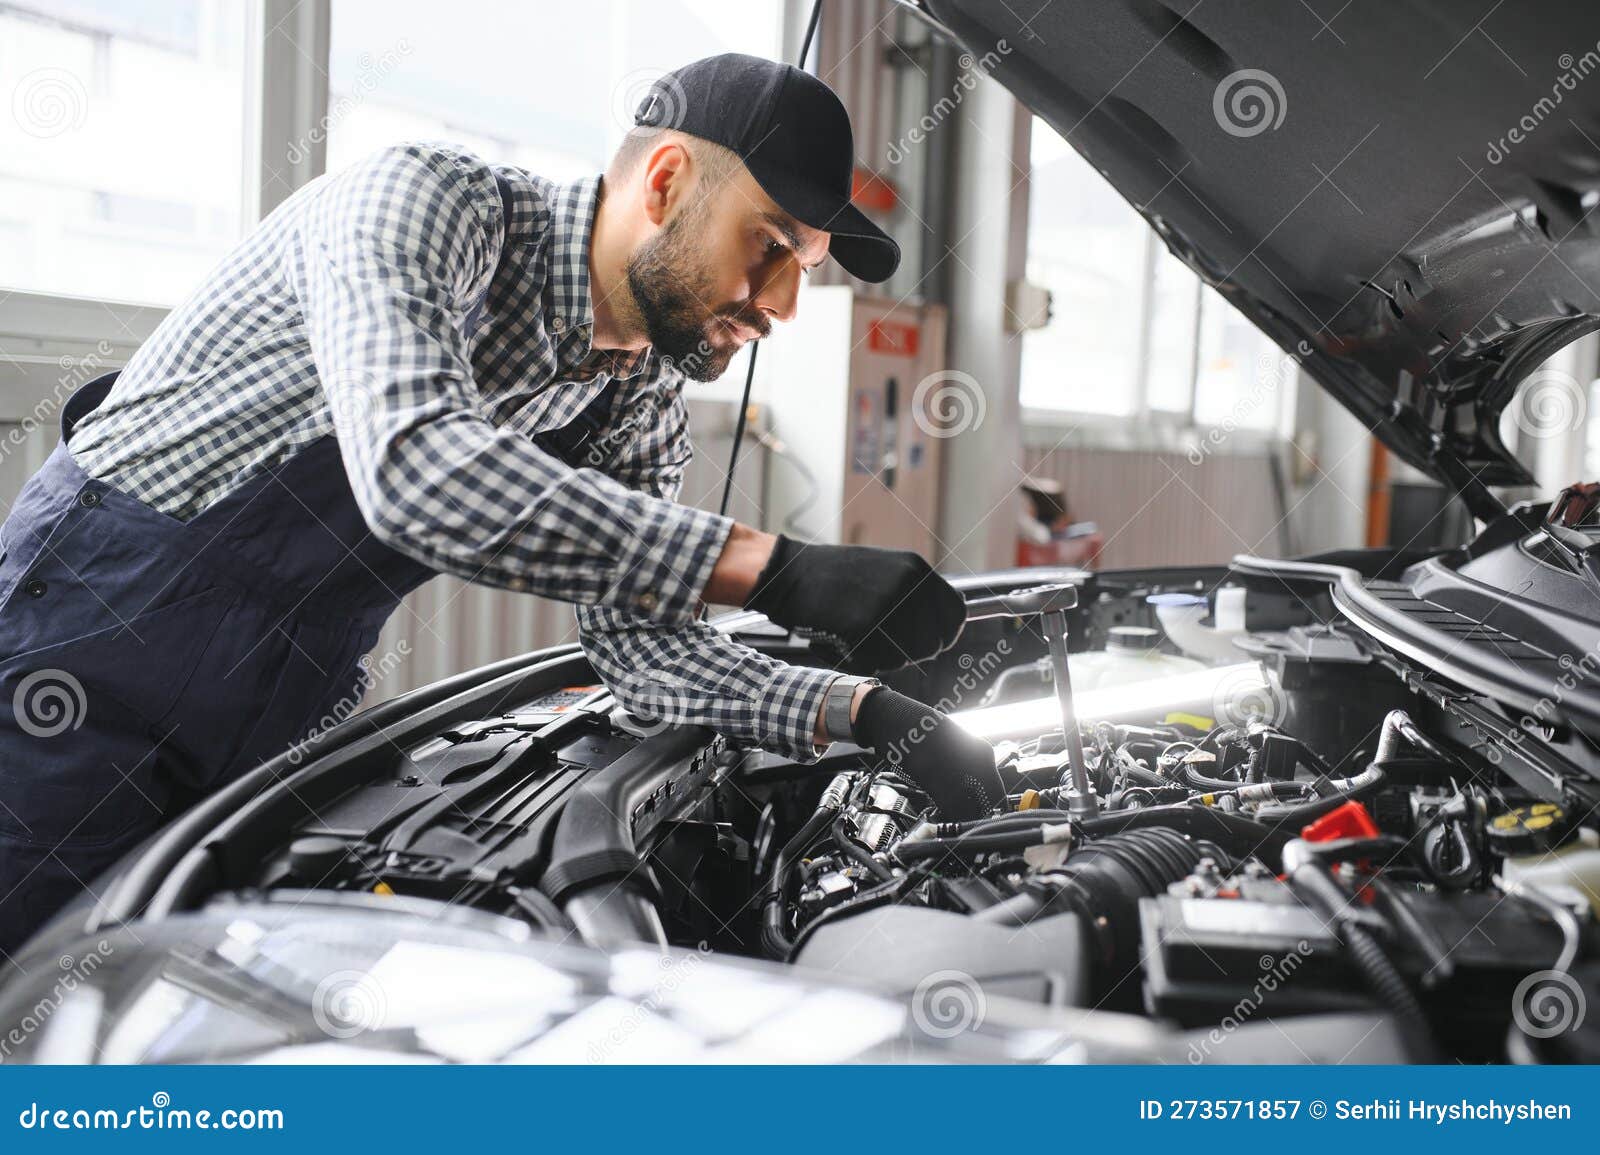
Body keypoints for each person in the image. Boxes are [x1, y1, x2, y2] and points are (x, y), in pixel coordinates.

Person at [0, 54, 1000, 955]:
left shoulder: (638, 393)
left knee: (168, 995)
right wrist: (777, 568)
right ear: (664, 185)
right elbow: (417, 470)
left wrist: (864, 713)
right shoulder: (429, 208)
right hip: (91, 651)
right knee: (27, 979)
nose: (780, 305)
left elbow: (649, 656)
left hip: (277, 710)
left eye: (805, 273)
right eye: (770, 247)